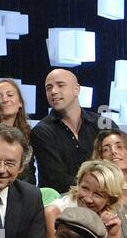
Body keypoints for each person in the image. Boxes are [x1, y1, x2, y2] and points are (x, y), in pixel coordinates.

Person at [31, 68, 116, 196]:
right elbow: (57, 180)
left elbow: (118, 164)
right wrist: (96, 191)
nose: (53, 91)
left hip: (107, 198)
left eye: (60, 85)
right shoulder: (41, 131)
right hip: (64, 202)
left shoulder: (104, 125)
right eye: (49, 88)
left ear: (76, 89)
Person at [44, 160, 125, 238]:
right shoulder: (54, 212)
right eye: (85, 188)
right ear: (78, 184)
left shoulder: (110, 221)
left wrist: (112, 237)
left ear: (110, 199)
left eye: (98, 194)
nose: (88, 198)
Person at [0, 78, 37, 184]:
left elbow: (30, 175)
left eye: (10, 95)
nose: (5, 100)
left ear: (20, 102)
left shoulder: (28, 134)